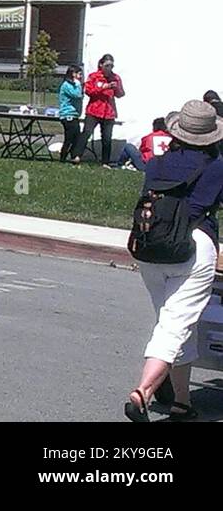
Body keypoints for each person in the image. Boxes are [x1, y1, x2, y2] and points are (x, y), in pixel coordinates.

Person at [124, 100, 223, 422]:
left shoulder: (157, 164)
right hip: (194, 245)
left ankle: (181, 402)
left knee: (176, 322)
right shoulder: (217, 166)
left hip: (152, 245)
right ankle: (143, 392)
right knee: (175, 325)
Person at [74, 54, 124, 164]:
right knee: (86, 132)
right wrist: (103, 87)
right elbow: (89, 91)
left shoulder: (116, 77)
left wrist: (116, 88)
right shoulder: (94, 76)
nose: (109, 68)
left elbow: (121, 94)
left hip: (109, 112)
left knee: (107, 138)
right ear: (101, 64)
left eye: (111, 66)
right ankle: (76, 155)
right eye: (107, 65)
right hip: (94, 110)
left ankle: (105, 161)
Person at [57, 65, 84, 163]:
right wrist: (78, 84)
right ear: (73, 74)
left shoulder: (74, 85)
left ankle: (73, 157)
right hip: (68, 116)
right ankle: (63, 157)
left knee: (77, 138)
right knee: (69, 138)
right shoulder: (67, 85)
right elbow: (77, 95)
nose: (81, 76)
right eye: (79, 74)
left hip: (74, 115)